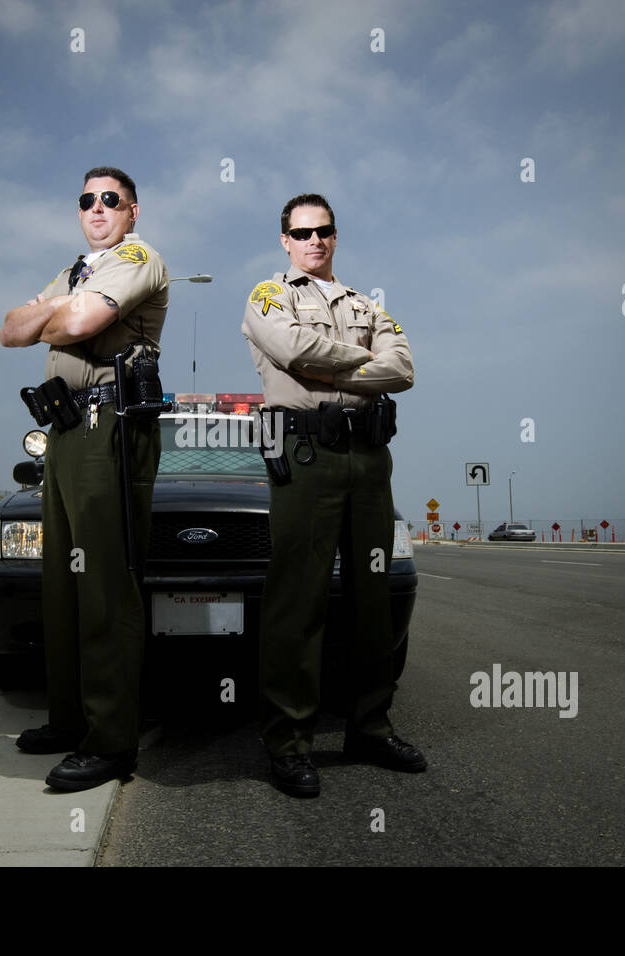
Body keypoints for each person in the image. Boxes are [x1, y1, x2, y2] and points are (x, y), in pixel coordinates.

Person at [241, 193, 424, 798]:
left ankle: (369, 727)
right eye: (301, 233)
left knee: (374, 599)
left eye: (323, 232)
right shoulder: (269, 297)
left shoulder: (368, 304)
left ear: (335, 237)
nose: (313, 241)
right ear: (285, 241)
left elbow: (402, 370)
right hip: (307, 457)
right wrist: (361, 362)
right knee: (298, 603)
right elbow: (292, 350)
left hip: (369, 460)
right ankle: (289, 743)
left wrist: (331, 368)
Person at [0, 166, 168, 791]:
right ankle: (70, 720)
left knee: (103, 585)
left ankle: (112, 740)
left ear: (132, 210)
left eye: (110, 199)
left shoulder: (138, 257)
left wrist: (55, 314)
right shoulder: (76, 272)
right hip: (64, 431)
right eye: (87, 200)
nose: (97, 208)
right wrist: (60, 307)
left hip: (110, 426)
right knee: (62, 586)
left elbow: (75, 326)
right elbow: (8, 329)